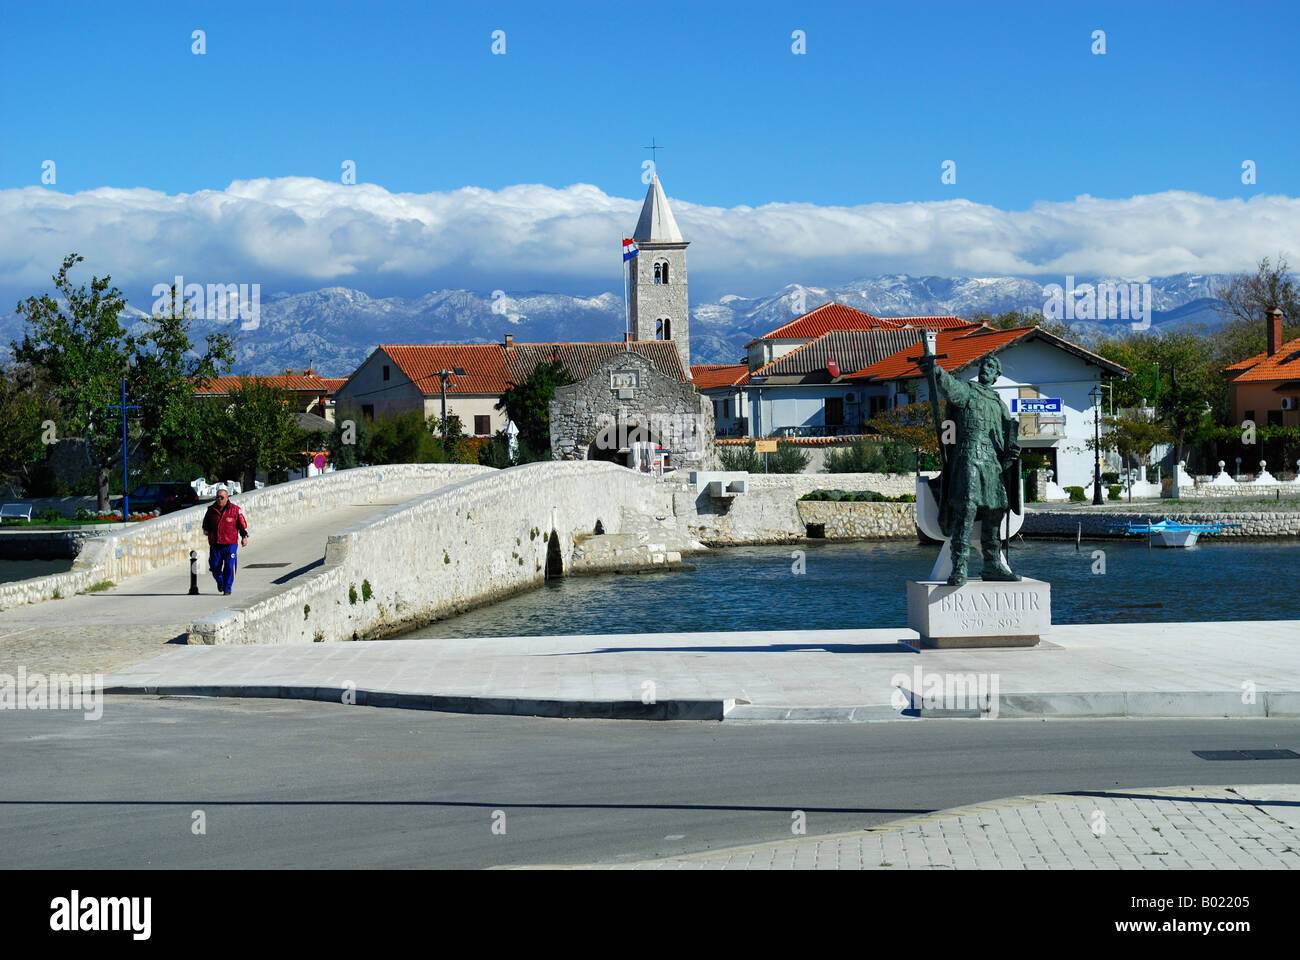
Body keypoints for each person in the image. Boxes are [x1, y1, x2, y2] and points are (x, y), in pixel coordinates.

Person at [914, 353, 1021, 585]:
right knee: (967, 508)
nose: (986, 368)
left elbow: (1006, 437)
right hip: (969, 456)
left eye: (992, 366)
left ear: (996, 375)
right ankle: (959, 567)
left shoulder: (1000, 405)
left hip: (993, 463)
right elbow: (947, 385)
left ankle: (992, 564)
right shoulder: (967, 392)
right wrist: (935, 370)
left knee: (996, 509)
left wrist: (1013, 450)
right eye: (984, 364)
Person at [201, 486, 249, 595]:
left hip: (230, 544)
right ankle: (220, 581)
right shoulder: (210, 510)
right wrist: (209, 533)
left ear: (227, 497)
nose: (219, 499)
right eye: (217, 497)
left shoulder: (235, 510)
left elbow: (242, 525)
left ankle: (227, 588)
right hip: (215, 544)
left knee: (229, 565)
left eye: (222, 497)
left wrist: (244, 537)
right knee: (214, 566)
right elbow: (205, 526)